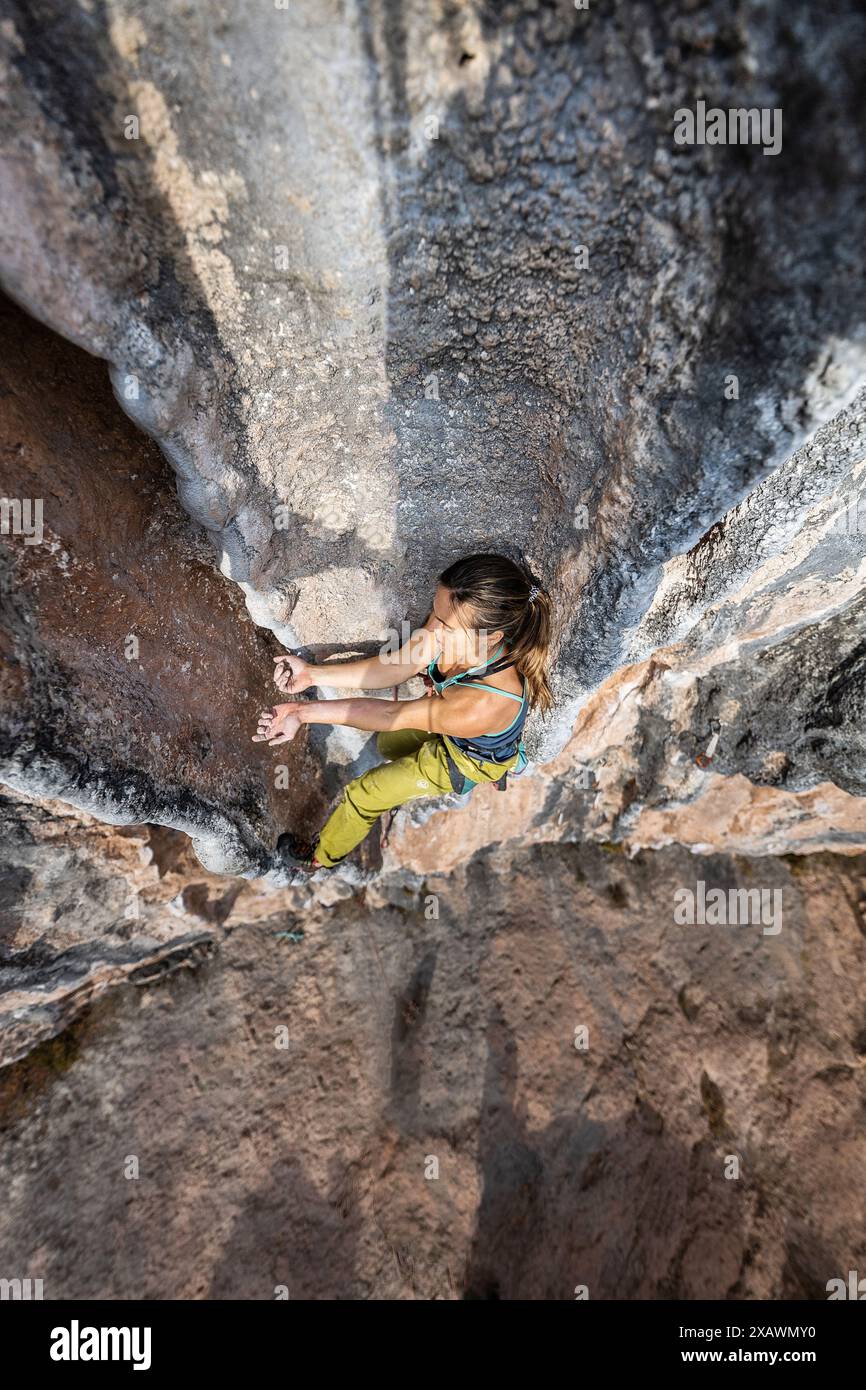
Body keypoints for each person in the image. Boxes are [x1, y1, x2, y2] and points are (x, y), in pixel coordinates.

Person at [253, 553, 553, 870]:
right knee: (386, 745)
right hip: (447, 723)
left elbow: (388, 715)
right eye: (436, 613)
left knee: (365, 794)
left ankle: (320, 857)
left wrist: (301, 712)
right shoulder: (455, 625)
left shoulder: (484, 703)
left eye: (445, 625)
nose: (433, 629)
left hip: (468, 758)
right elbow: (395, 667)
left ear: (491, 637)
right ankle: (410, 769)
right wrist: (311, 674)